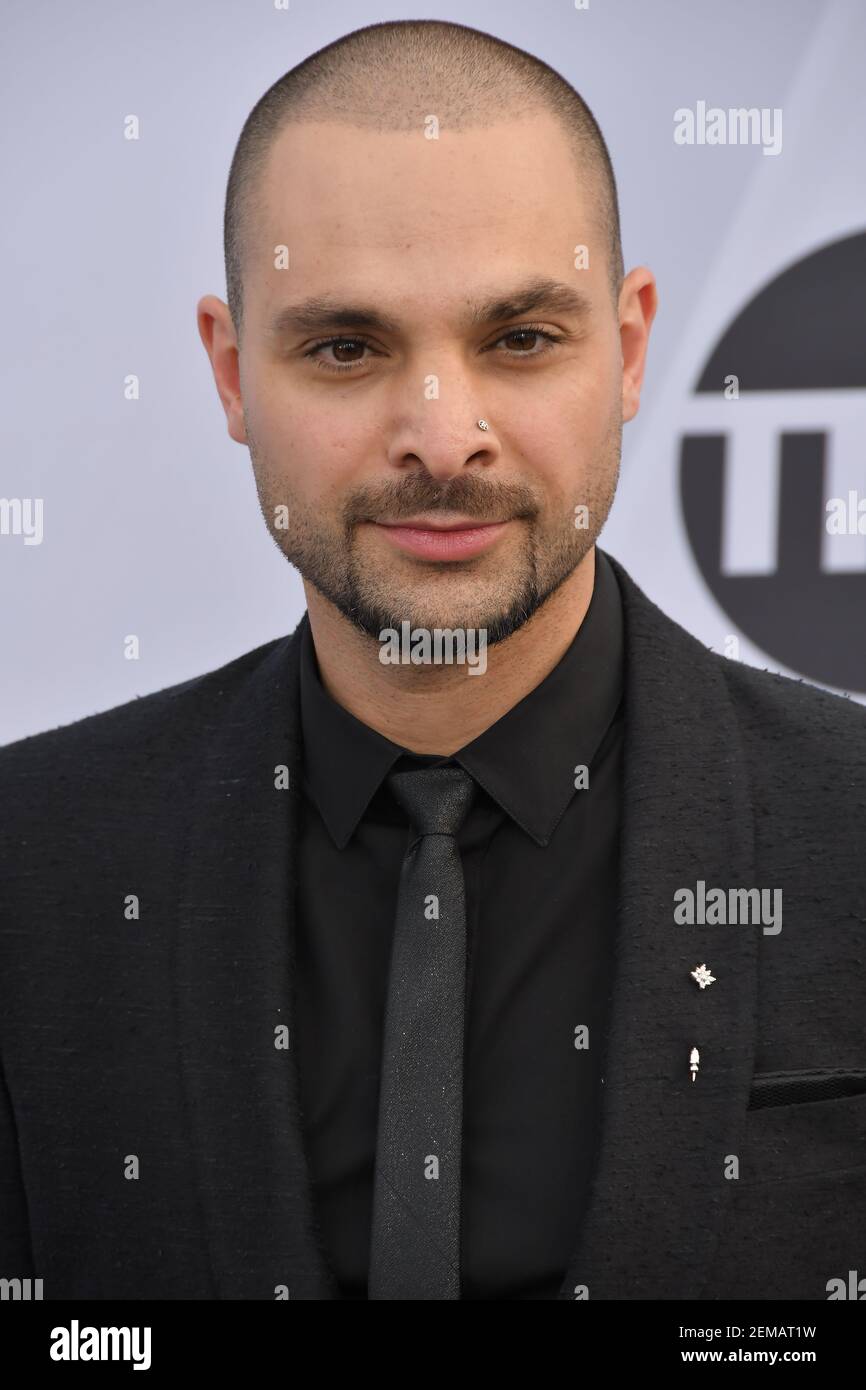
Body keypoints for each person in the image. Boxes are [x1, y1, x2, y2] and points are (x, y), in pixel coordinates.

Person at [1, 19, 864, 1302]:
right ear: (233, 375)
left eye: (518, 339)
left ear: (626, 351)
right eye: (345, 347)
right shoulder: (31, 860)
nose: (442, 438)